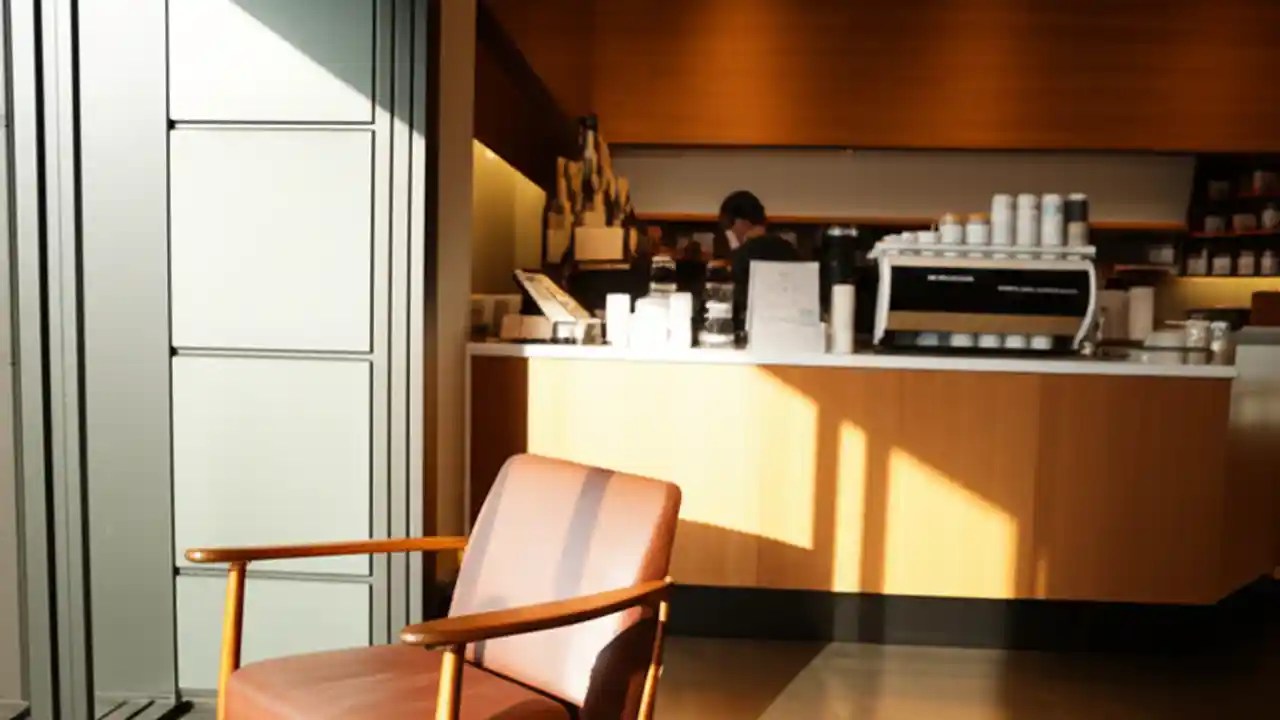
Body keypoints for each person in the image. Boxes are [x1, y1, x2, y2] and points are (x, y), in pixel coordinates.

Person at [715, 190, 800, 334]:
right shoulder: (789, 249)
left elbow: (738, 303)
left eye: (729, 226)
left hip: (757, 332)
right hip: (792, 330)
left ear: (742, 222)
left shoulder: (743, 255)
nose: (730, 233)